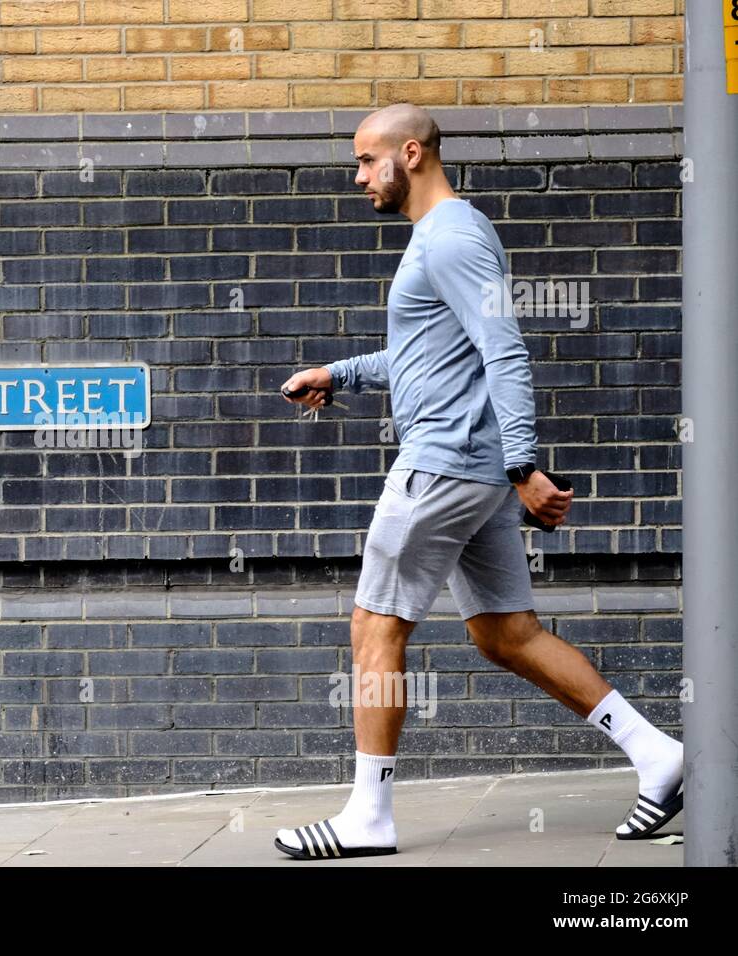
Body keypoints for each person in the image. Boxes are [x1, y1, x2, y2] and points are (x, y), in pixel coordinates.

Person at [274, 103, 684, 860]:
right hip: (473, 468)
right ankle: (659, 755)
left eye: (367, 161)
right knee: (505, 632)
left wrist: (525, 467)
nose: (359, 176)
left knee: (375, 625)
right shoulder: (443, 237)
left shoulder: (454, 236)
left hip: (442, 465)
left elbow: (505, 351)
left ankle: (368, 816)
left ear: (411, 154)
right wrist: (341, 374)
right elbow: (428, 356)